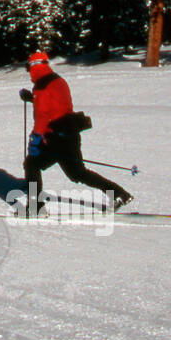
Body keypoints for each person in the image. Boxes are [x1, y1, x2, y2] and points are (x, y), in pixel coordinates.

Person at [17, 51, 132, 217]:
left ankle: (36, 207)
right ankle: (119, 194)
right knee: (78, 173)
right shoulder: (57, 79)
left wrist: (36, 138)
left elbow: (43, 115)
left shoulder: (41, 86)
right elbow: (56, 104)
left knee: (32, 164)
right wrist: (32, 98)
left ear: (34, 67)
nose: (28, 72)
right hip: (69, 133)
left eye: (28, 67)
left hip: (53, 137)